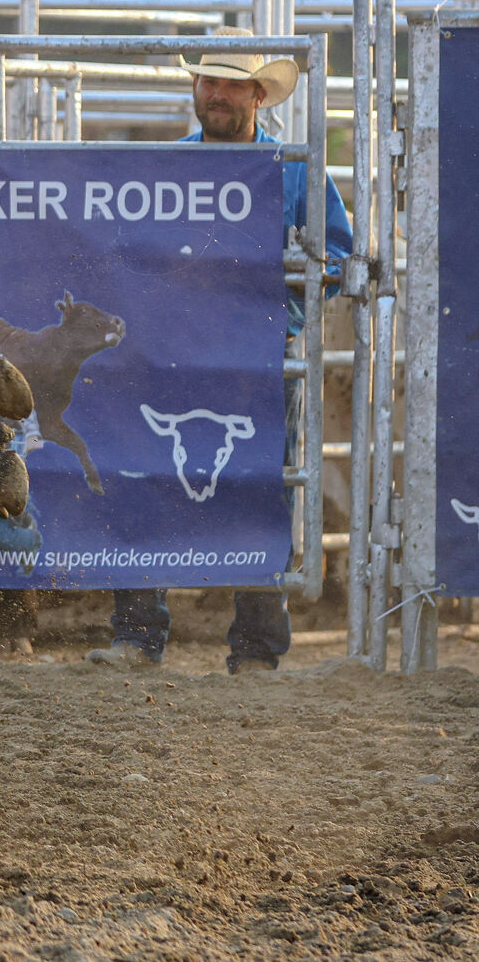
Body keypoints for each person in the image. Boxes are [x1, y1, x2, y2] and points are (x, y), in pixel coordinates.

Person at [88, 47, 352, 673]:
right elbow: (127, 252)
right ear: (196, 88)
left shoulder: (293, 170)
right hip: (170, 354)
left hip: (257, 356)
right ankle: (138, 637)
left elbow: (337, 258)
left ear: (259, 96)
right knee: (147, 479)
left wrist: (288, 286)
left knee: (261, 491)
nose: (217, 95)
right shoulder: (167, 168)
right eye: (209, 82)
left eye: (233, 86)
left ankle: (254, 649)